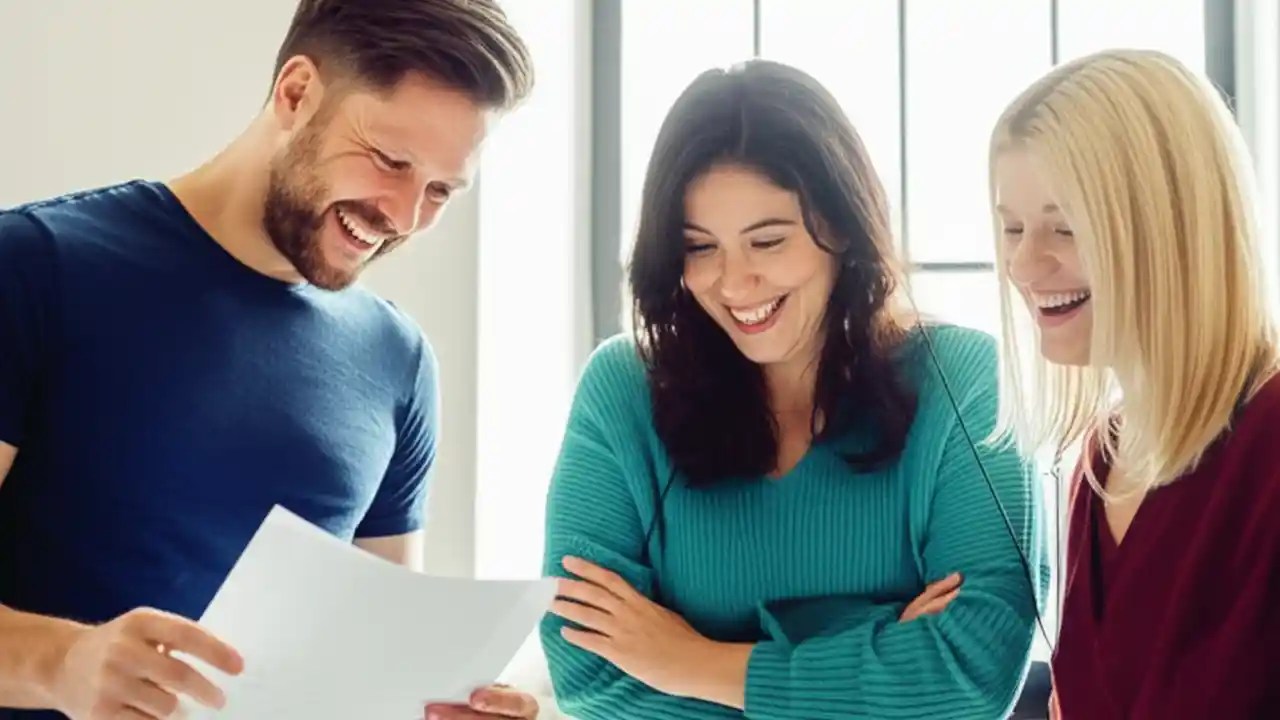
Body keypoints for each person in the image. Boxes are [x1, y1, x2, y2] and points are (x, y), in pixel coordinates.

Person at [0, 2, 543, 719]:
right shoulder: (33, 268)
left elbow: (374, 672)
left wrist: (435, 708)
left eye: (440, 190)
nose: (405, 217)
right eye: (390, 161)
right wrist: (60, 665)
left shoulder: (399, 361)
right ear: (296, 92)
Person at [539, 59, 1048, 719]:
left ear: (843, 228)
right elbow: (587, 674)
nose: (734, 282)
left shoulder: (965, 381)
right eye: (700, 248)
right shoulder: (623, 391)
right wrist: (875, 660)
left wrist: (689, 661)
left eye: (768, 241)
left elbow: (970, 677)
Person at [988, 48, 1280, 719]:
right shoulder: (1101, 460)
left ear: (1173, 227)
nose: (1024, 264)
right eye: (1013, 228)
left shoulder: (1268, 448)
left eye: (1065, 227)